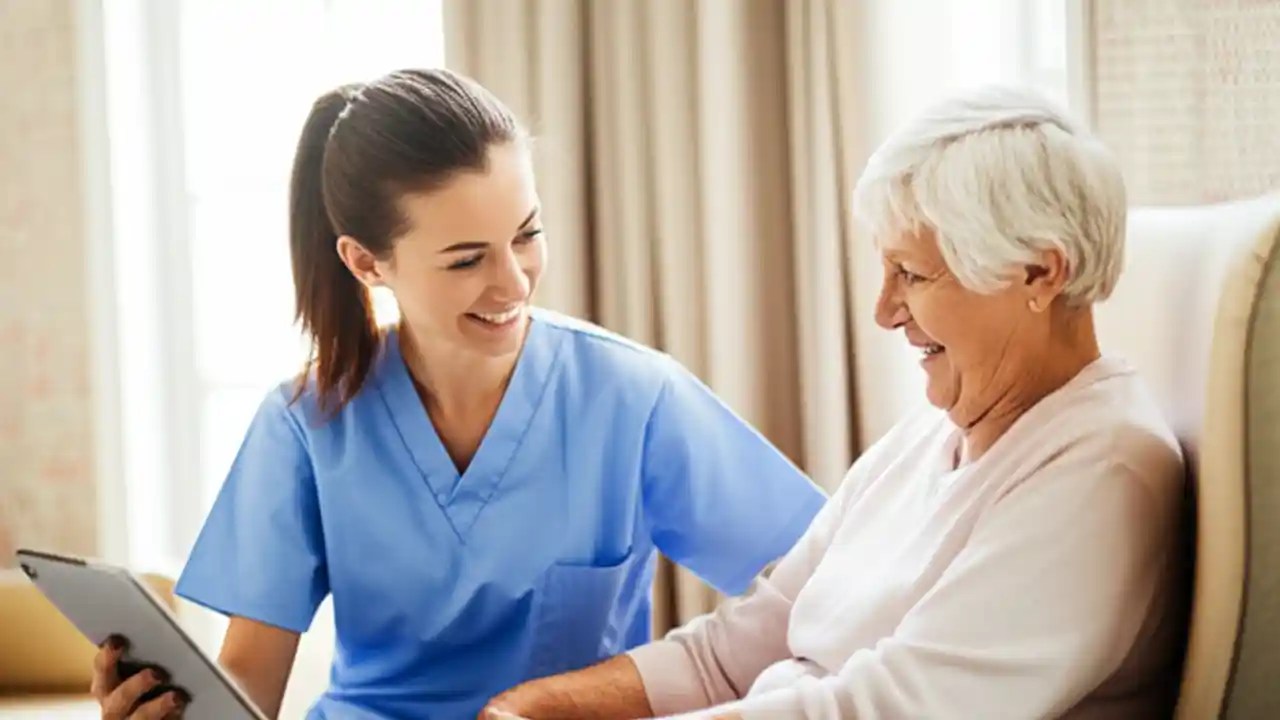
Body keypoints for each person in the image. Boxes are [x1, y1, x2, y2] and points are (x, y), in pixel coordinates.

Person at [88, 68, 826, 720]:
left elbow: (827, 589)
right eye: (467, 259)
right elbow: (251, 684)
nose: (513, 283)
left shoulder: (633, 398)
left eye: (527, 235)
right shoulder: (306, 426)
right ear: (366, 261)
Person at [482, 86, 1188, 719]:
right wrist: (536, 708)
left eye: (911, 274)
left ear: (1039, 271)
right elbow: (732, 655)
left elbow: (890, 712)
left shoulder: (1103, 472)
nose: (884, 312)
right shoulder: (927, 439)